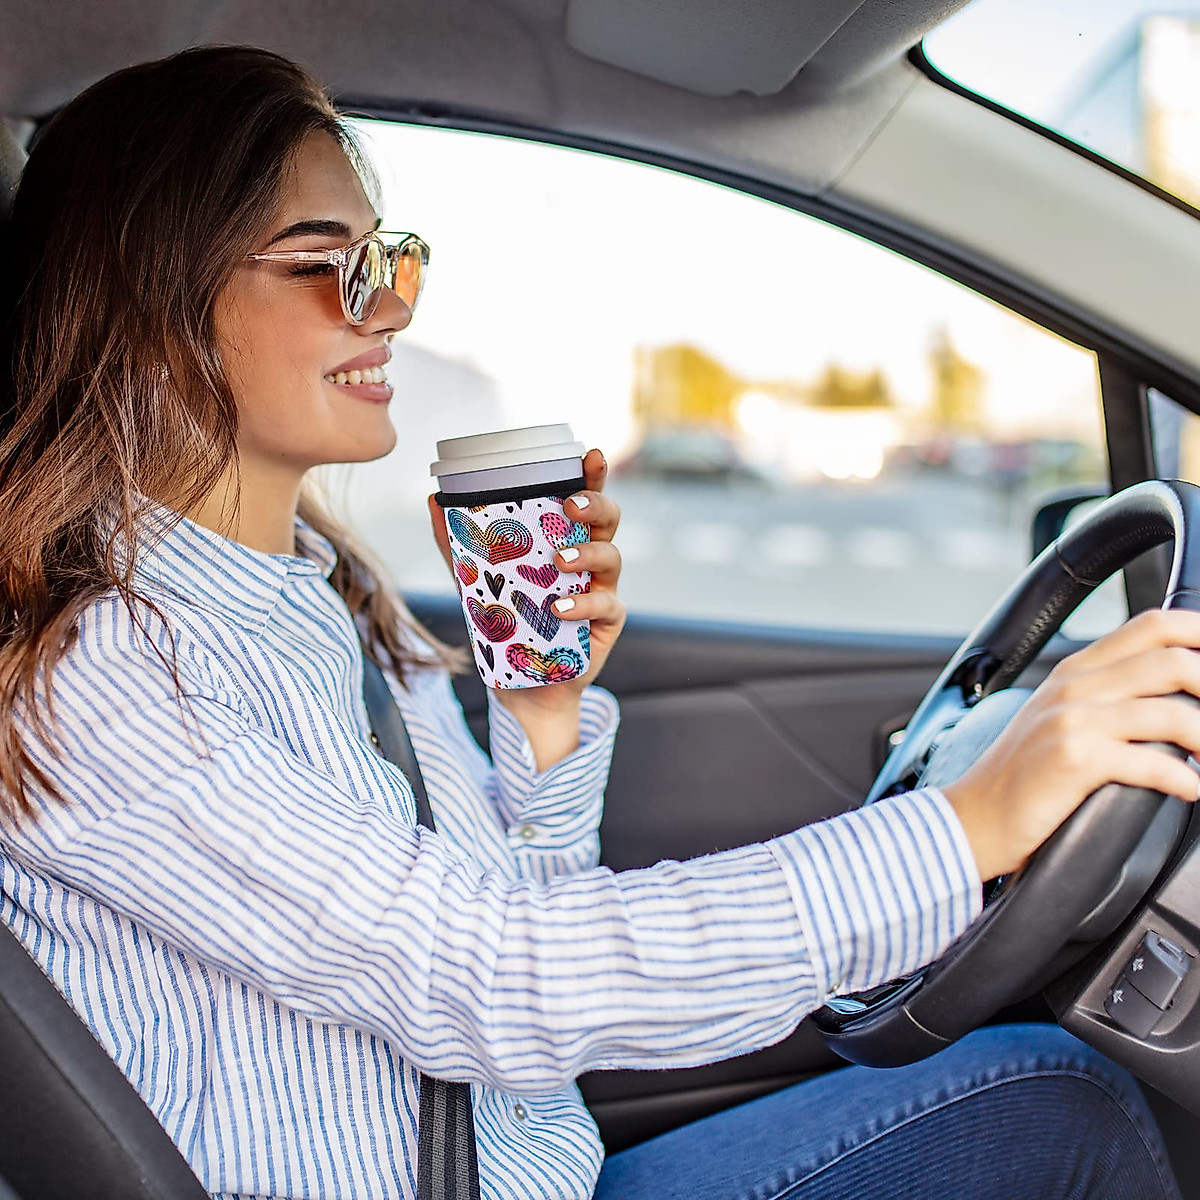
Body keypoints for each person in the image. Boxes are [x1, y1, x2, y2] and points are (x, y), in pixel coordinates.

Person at [0, 45, 1191, 1200]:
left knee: (1054, 1091)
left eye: (393, 259)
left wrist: (543, 720)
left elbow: (520, 957)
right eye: (330, 264)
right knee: (1064, 1101)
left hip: (539, 1170)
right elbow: (491, 977)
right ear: (151, 302)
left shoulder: (328, 596)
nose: (392, 309)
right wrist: (966, 826)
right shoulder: (105, 681)